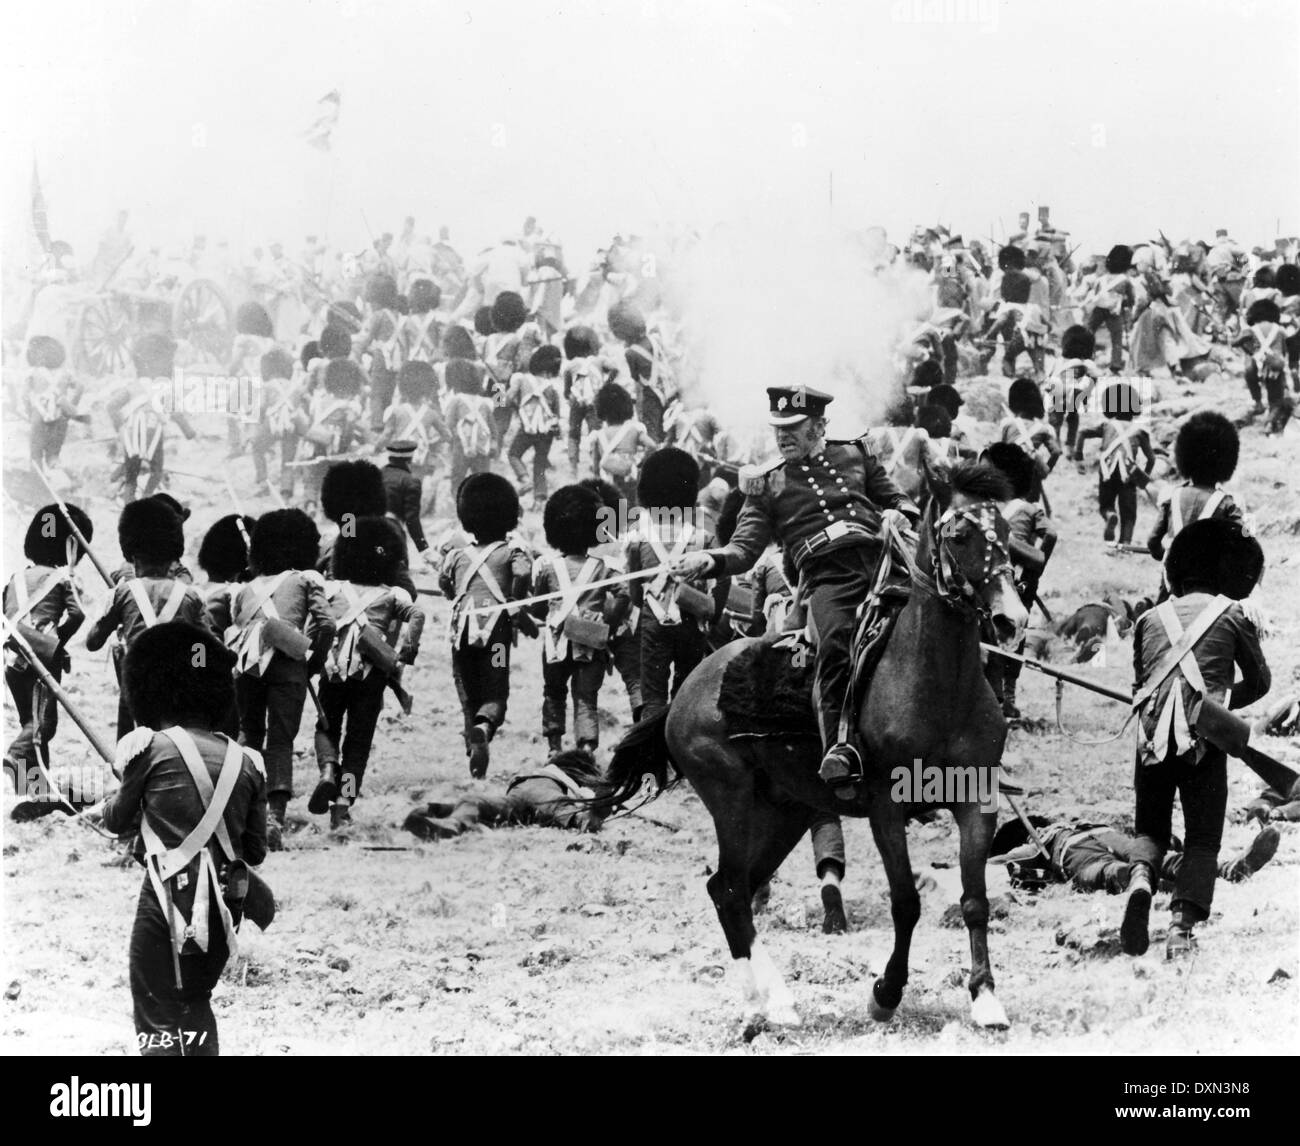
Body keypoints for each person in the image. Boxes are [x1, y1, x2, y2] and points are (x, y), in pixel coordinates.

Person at [669, 385, 918, 793]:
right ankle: (840, 749)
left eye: (794, 428)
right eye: (778, 429)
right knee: (837, 644)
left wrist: (900, 513)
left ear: (819, 425)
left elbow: (897, 498)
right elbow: (745, 547)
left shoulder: (855, 453)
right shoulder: (765, 483)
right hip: (829, 577)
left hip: (886, 564)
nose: (782, 436)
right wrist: (709, 561)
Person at [99, 622, 268, 1057]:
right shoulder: (248, 763)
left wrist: (113, 797)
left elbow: (117, 821)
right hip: (225, 909)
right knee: (196, 1003)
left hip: (165, 899)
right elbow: (255, 851)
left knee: (156, 1007)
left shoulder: (149, 748)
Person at [1120, 519, 1270, 959]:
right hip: (1203, 741)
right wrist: (1217, 705)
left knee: (1150, 828)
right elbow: (1260, 683)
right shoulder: (1234, 615)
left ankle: (1142, 879)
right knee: (1203, 838)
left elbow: (1140, 686)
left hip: (1150, 738)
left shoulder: (1148, 619)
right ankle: (1181, 928)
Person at [207, 510, 334, 850]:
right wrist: (314, 661)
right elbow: (327, 625)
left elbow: (232, 629)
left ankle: (247, 814)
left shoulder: (243, 589)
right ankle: (274, 819)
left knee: (249, 735)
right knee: (280, 741)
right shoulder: (306, 579)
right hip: (290, 667)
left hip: (247, 669)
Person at [316, 517, 424, 829]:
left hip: (333, 670)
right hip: (371, 675)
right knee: (359, 742)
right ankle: (344, 801)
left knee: (326, 728)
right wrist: (407, 652)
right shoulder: (393, 596)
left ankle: (326, 770)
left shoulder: (331, 588)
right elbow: (417, 614)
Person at [85, 500, 207, 740]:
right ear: (172, 557)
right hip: (176, 680)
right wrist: (196, 668)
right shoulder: (190, 595)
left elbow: (93, 642)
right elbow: (204, 646)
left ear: (134, 557)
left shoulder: (123, 592)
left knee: (131, 746)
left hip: (135, 679)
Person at [440, 473, 533, 778]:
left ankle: (472, 741)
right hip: (496, 634)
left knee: (467, 689)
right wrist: (515, 599)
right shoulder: (512, 552)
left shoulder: (455, 555)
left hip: (462, 632)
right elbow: (522, 574)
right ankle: (484, 726)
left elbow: (446, 585)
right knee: (495, 692)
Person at [529, 485, 628, 758]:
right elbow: (624, 595)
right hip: (591, 641)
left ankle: (553, 747)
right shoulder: (603, 566)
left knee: (553, 692)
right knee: (586, 698)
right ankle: (585, 747)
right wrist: (607, 624)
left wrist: (543, 615)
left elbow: (537, 608)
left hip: (556, 642)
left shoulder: (548, 569)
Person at [626, 449, 722, 722]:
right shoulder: (704, 538)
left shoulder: (637, 539)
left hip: (653, 623)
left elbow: (634, 595)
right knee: (686, 690)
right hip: (692, 622)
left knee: (653, 695)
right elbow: (720, 580)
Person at [2, 502, 91, 793]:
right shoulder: (61, 578)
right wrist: (57, 641)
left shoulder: (16, 578)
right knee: (44, 725)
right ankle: (15, 755)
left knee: (31, 721)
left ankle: (32, 791)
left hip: (13, 660)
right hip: (42, 659)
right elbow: (78, 614)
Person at [990, 814, 1280, 893]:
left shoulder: (1046, 835)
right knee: (1123, 869)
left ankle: (1230, 869)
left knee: (1143, 862)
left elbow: (1005, 857)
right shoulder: (1043, 839)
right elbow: (1006, 860)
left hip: (1089, 845)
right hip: (1089, 845)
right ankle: (1220, 871)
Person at [404, 748, 609, 839]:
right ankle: (446, 819)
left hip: (522, 789)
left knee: (479, 801)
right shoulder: (569, 776)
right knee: (562, 811)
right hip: (541, 790)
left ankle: (446, 818)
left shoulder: (547, 771)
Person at [1147, 411, 1245, 562]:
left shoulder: (1172, 498)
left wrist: (1162, 554)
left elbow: (1153, 541)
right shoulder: (1227, 503)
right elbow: (1245, 539)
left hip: (1174, 574)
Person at [1074, 382, 1157, 544]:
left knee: (1105, 504)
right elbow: (1151, 459)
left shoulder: (1107, 425)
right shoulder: (1139, 431)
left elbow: (1082, 432)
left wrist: (1079, 456)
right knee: (1129, 512)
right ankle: (1125, 543)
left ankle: (1110, 515)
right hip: (1129, 473)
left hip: (1107, 470)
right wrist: (1143, 477)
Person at [504, 345, 563, 506]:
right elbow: (556, 412)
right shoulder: (552, 387)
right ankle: (540, 500)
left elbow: (507, 399)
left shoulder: (521, 379)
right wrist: (558, 433)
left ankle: (524, 479)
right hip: (546, 431)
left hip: (527, 429)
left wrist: (504, 395)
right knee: (540, 463)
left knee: (513, 454)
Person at [22, 336, 84, 473]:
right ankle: (55, 468)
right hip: (60, 415)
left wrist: (29, 412)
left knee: (36, 452)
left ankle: (38, 480)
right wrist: (72, 404)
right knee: (54, 452)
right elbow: (80, 387)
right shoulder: (66, 374)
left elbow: (24, 395)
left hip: (39, 416)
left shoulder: (33, 373)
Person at [588, 381, 655, 506]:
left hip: (608, 482)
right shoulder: (634, 430)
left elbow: (596, 468)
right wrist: (639, 462)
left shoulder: (598, 435)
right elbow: (652, 446)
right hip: (630, 478)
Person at [1044, 325, 1100, 451]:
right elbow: (1095, 377)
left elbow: (1049, 376)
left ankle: (1056, 441)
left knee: (1055, 420)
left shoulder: (1058, 360)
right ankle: (1070, 444)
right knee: (1073, 417)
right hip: (1073, 395)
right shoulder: (1085, 363)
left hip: (1056, 395)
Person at [562, 325, 610, 471]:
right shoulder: (599, 361)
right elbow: (614, 367)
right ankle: (595, 463)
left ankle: (573, 467)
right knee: (594, 432)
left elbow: (567, 390)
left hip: (496, 383)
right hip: (594, 401)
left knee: (573, 432)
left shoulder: (571, 364)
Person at [381, 439, 434, 567]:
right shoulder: (411, 481)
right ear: (409, 460)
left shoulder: (371, 475)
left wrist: (348, 536)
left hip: (362, 533)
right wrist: (425, 550)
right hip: (391, 535)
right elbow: (412, 520)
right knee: (402, 583)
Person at [1084, 244, 1135, 373]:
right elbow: (1131, 299)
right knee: (1117, 336)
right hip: (1114, 310)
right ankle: (1115, 365)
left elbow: (1095, 294)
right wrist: (1125, 304)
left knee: (1089, 330)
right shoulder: (1125, 280)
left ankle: (1086, 356)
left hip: (1099, 308)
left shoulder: (1101, 279)